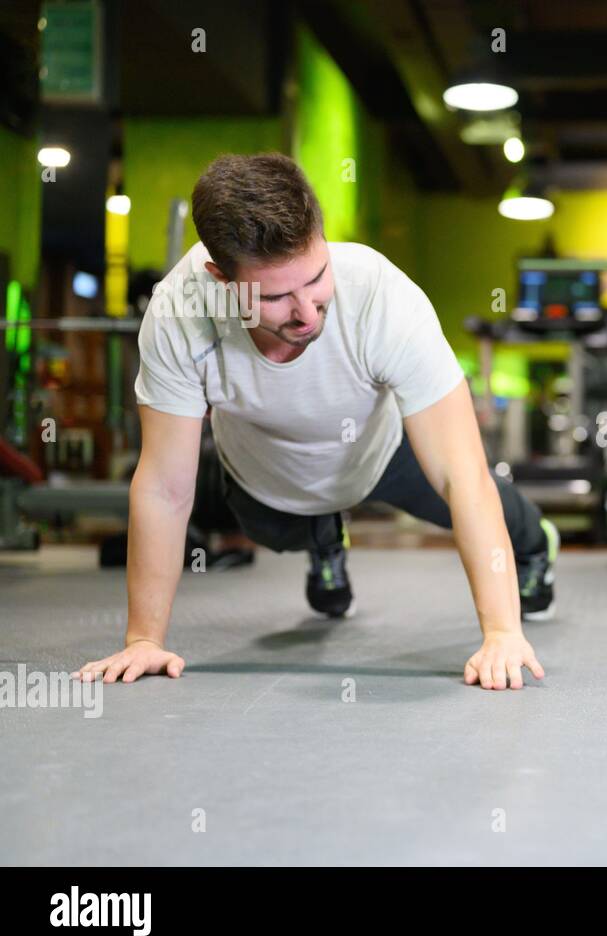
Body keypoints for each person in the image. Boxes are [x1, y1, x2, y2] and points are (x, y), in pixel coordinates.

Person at [76, 153, 557, 692]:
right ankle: (325, 537)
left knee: (485, 498)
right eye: (276, 296)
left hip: (379, 451)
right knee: (274, 529)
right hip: (265, 471)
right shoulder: (178, 315)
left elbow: (461, 474)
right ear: (220, 279)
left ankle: (538, 544)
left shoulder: (382, 297)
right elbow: (164, 488)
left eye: (317, 277)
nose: (306, 311)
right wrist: (143, 639)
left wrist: (500, 631)